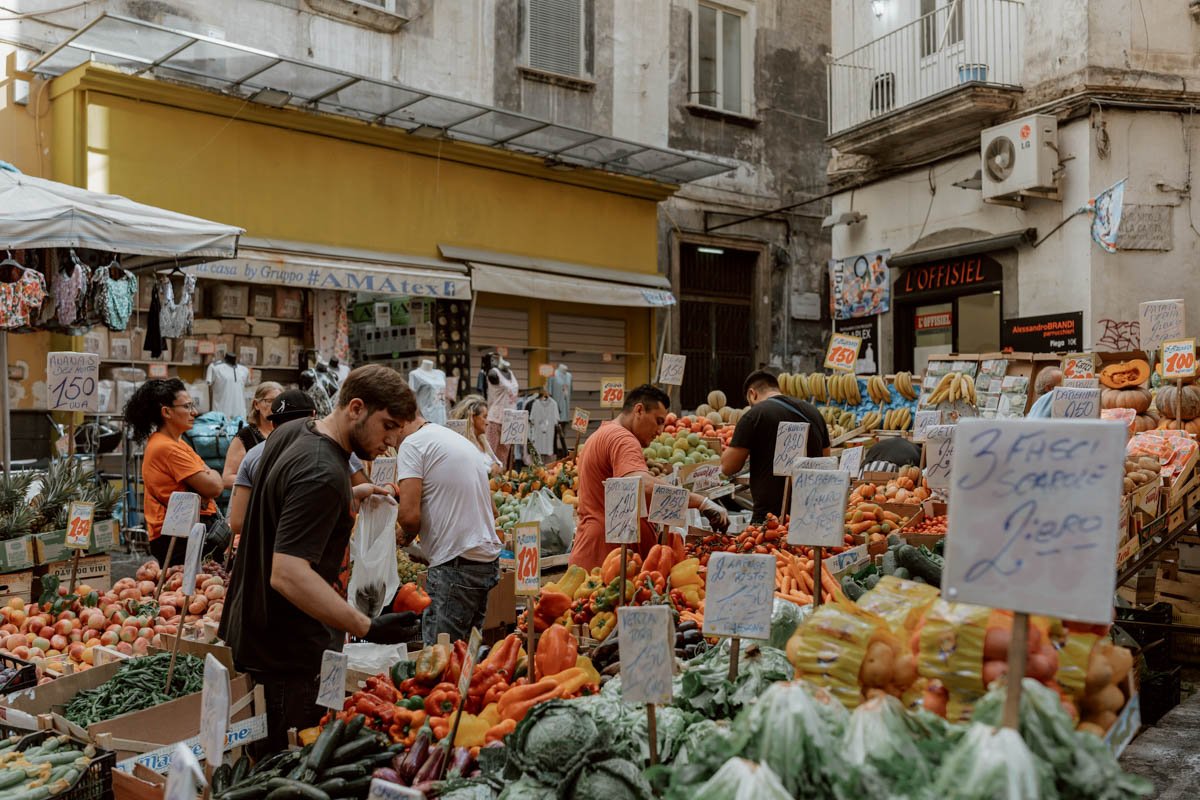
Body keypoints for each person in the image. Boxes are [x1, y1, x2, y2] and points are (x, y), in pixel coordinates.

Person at [220, 365, 421, 753]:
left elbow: (284, 505)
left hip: (258, 634)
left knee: (266, 765)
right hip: (288, 656)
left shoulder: (297, 432)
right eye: (388, 426)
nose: (391, 442)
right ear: (356, 408)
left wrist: (352, 495)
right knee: (288, 768)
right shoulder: (322, 472)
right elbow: (289, 573)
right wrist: (367, 626)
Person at [568, 384, 729, 571]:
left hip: (598, 550)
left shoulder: (602, 433)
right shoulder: (623, 439)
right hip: (609, 558)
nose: (660, 430)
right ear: (639, 410)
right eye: (658, 421)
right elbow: (641, 486)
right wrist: (701, 502)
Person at [395, 403, 503, 644]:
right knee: (463, 657)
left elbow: (410, 517)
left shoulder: (412, 444)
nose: (389, 440)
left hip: (455, 567)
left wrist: (401, 537)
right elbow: (493, 510)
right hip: (484, 562)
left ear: (400, 422)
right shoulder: (456, 440)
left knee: (440, 659)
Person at [227, 390, 373, 541]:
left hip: (265, 552)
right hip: (318, 547)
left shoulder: (253, 455)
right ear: (314, 416)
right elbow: (369, 495)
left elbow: (238, 522)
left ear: (273, 424)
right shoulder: (336, 449)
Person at [123, 379, 222, 567]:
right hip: (177, 538)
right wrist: (211, 473)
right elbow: (214, 487)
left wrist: (210, 475)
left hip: (183, 533)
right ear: (166, 412)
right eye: (187, 406)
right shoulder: (167, 448)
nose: (194, 412)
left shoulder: (176, 442)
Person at [721, 370, 831, 522]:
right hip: (812, 512)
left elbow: (728, 467)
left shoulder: (754, 415)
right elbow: (826, 459)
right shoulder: (813, 412)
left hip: (770, 517)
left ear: (752, 394)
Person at [221, 382, 283, 489]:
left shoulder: (285, 433)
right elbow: (227, 479)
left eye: (279, 402)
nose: (275, 406)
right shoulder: (245, 436)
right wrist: (263, 483)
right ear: (256, 404)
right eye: (269, 401)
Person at [451, 395, 502, 474]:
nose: (487, 422)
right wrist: (492, 468)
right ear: (472, 417)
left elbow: (499, 464)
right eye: (484, 417)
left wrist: (495, 466)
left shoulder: (483, 441)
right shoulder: (463, 443)